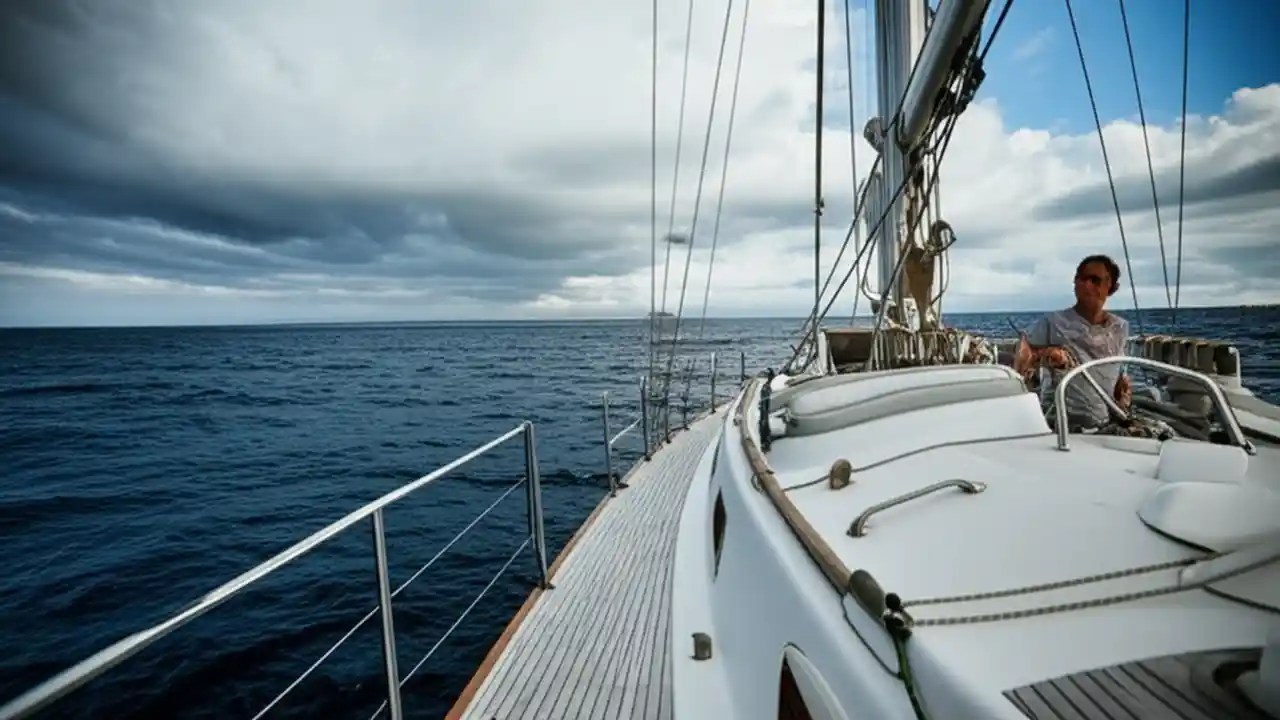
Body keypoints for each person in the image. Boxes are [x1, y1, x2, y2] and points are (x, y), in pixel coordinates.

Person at [1014, 254, 1133, 430]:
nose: (1087, 285)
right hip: (1058, 423)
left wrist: (1123, 399)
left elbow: (1117, 376)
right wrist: (1045, 356)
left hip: (1103, 424)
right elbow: (1022, 361)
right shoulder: (1053, 322)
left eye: (1095, 280)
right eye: (1081, 278)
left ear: (1111, 287)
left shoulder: (1120, 328)